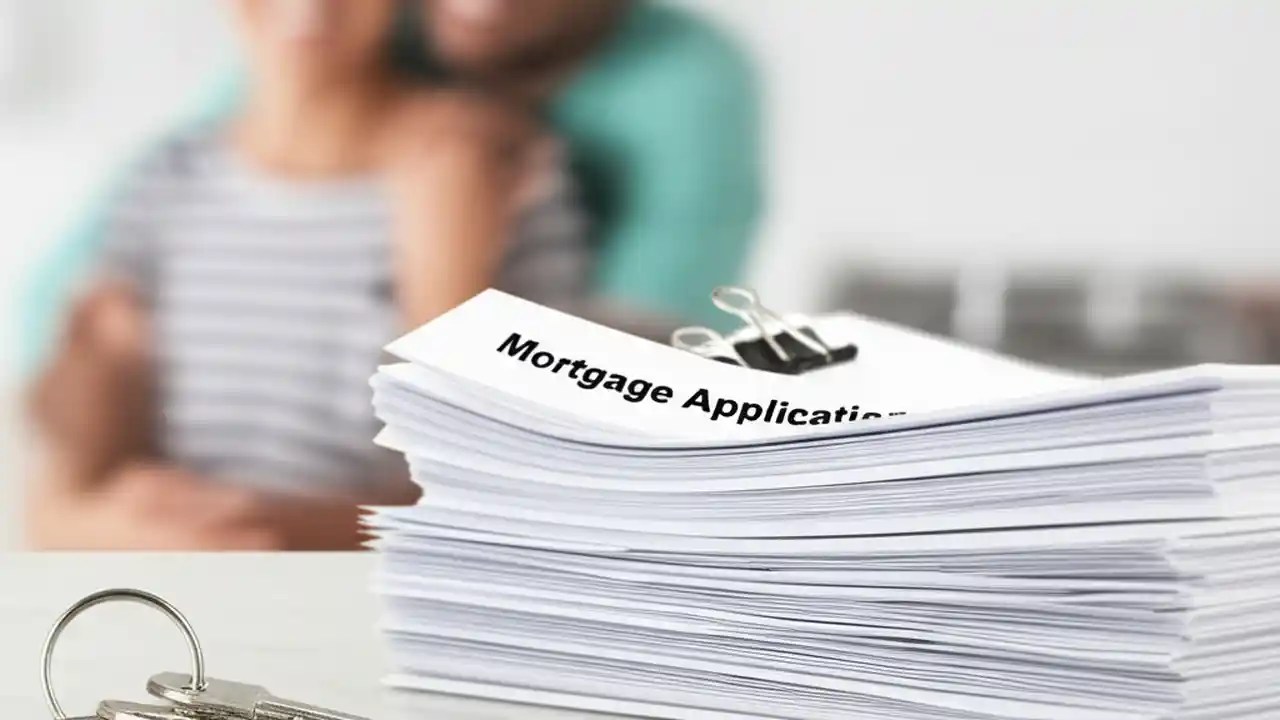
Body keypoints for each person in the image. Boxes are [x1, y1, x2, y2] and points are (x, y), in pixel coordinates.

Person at [24, 0, 587, 550]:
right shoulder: (167, 177)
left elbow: (525, 489)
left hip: (365, 602)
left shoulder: (494, 173)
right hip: (177, 583)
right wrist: (84, 503)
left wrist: (267, 530)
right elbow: (85, 440)